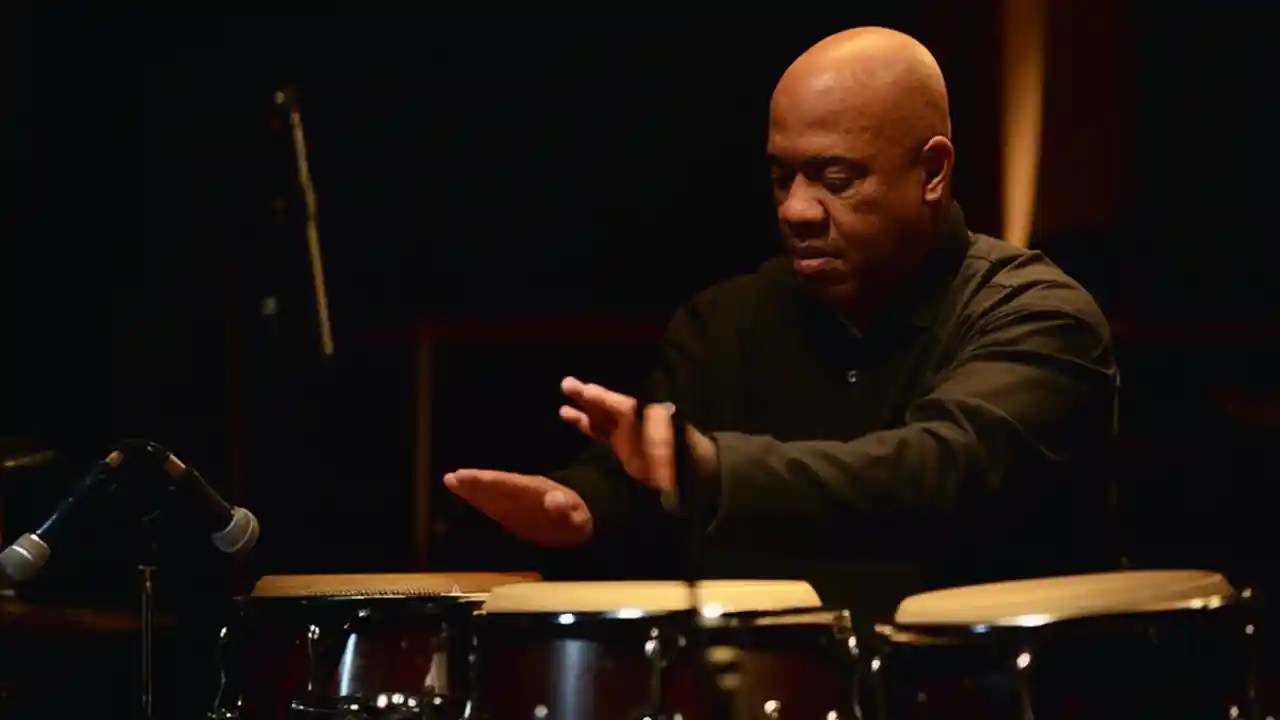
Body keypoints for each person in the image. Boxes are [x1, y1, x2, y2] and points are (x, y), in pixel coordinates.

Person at [443, 26, 1120, 624]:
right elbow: (640, 480)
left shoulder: (1038, 314)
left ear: (932, 171)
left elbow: (941, 468)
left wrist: (716, 466)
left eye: (835, 176)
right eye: (781, 176)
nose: (796, 209)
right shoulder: (723, 323)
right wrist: (584, 506)